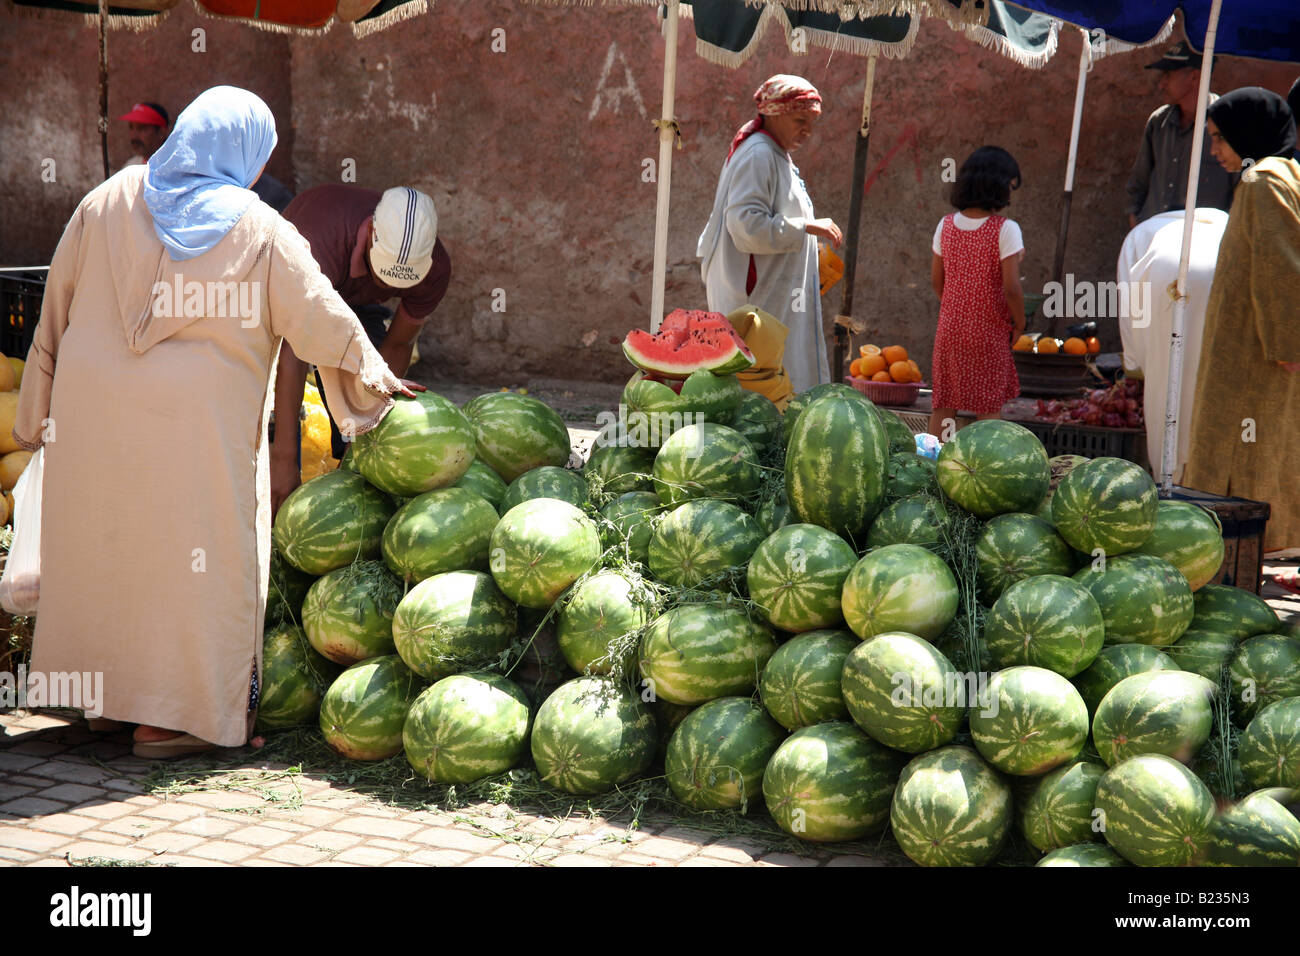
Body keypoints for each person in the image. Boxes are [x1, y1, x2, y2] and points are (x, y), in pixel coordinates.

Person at [13, 86, 413, 758]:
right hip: (194, 426)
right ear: (247, 156)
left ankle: (103, 700)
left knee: (107, 540)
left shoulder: (108, 199)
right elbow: (318, 316)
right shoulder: (258, 228)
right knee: (195, 558)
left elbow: (54, 304)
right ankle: (171, 719)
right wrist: (373, 380)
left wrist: (37, 407)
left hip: (92, 410)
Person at [270, 184, 451, 514]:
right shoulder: (317, 240)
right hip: (289, 286)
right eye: (384, 273)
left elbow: (397, 345)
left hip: (357, 303)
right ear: (369, 233)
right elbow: (294, 350)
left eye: (402, 284)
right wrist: (285, 460)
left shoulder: (436, 269)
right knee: (266, 401)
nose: (391, 288)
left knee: (357, 402)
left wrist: (365, 447)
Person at [1183, 88, 1300, 564]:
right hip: (1259, 348)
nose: (1214, 152)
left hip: (1252, 356)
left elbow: (1282, 268)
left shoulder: (1261, 181)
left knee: (1239, 454)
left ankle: (1232, 561)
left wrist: (1287, 344)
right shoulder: (1283, 174)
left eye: (1219, 139)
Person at [697, 74, 841, 394]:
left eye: (811, 122)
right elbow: (745, 225)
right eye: (800, 120)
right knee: (761, 387)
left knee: (776, 381)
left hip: (778, 294)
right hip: (759, 297)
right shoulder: (759, 153)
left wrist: (811, 251)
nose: (807, 130)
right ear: (775, 113)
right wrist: (805, 227)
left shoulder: (775, 154)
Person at [1115, 207, 1229, 482]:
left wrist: (1139, 360)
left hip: (1161, 336)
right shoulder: (1228, 228)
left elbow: (1132, 324)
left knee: (1168, 404)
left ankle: (1172, 484)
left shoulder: (1140, 237)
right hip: (1224, 358)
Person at [927, 146, 1026, 438]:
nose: (1010, 192)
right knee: (988, 407)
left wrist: (958, 310)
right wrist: (1020, 324)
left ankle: (931, 467)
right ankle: (985, 469)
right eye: (1010, 185)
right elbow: (1012, 288)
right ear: (997, 184)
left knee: (944, 404)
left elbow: (937, 281)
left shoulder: (945, 226)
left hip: (950, 330)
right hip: (990, 333)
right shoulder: (1005, 229)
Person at [1125, 42, 1235, 228]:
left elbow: (1240, 189)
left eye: (1168, 75)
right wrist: (1135, 220)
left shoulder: (1228, 125)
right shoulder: (1159, 122)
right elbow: (1139, 181)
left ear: (1194, 77)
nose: (1161, 84)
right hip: (1154, 235)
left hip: (1202, 242)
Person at [118, 101, 169, 169]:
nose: (134, 136)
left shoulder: (174, 167)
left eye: (142, 128)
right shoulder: (131, 166)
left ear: (161, 132)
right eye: (131, 127)